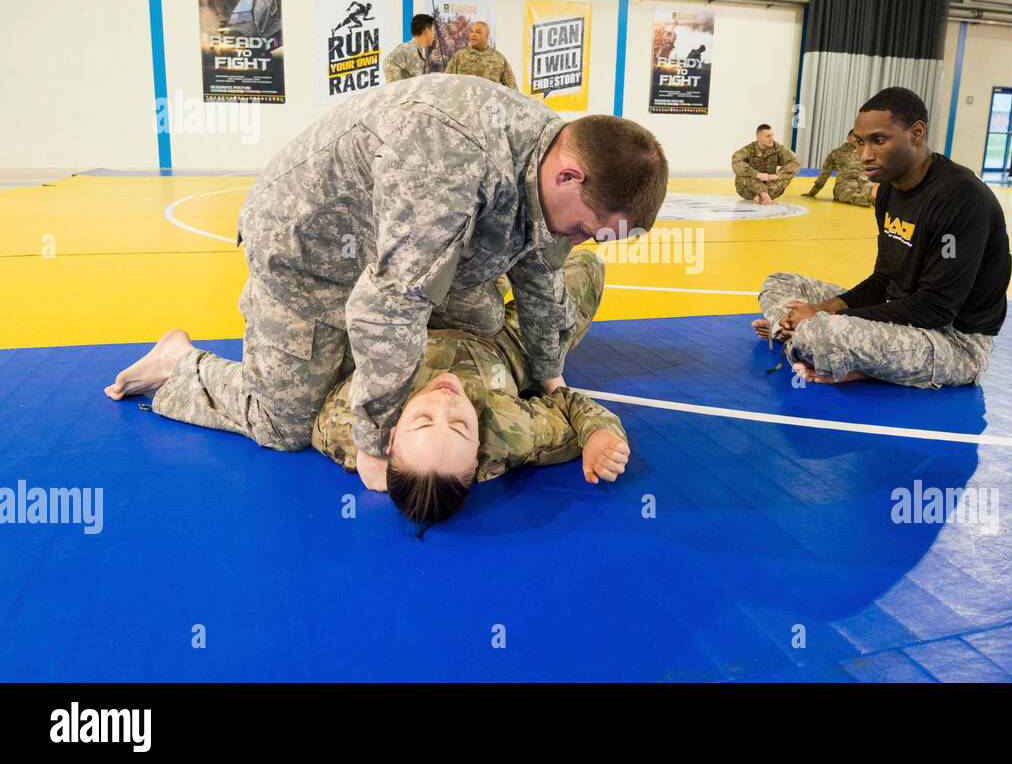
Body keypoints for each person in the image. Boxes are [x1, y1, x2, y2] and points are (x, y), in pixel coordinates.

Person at [105, 74, 668, 493]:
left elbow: (541, 265)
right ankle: (180, 363)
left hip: (402, 245)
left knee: (486, 321)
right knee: (286, 425)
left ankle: (363, 358)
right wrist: (375, 444)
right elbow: (390, 304)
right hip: (312, 255)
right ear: (568, 175)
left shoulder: (552, 155)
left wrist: (548, 372)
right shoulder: (450, 155)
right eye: (585, 228)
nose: (582, 239)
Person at [314, 249, 629, 528]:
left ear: (392, 435)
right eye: (460, 425)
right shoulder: (510, 433)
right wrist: (599, 435)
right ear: (478, 452)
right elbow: (570, 407)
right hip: (506, 344)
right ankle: (506, 263)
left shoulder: (353, 422)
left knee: (451, 253)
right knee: (587, 265)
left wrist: (363, 455)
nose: (443, 403)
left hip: (423, 317)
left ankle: (495, 265)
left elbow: (320, 424)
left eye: (423, 419)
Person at [750, 87, 1012, 388]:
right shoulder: (889, 189)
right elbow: (883, 279)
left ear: (916, 133)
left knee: (820, 332)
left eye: (879, 140)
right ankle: (800, 336)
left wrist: (823, 317)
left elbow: (936, 308)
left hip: (953, 341)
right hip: (901, 315)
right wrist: (822, 310)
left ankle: (795, 336)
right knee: (779, 282)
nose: (865, 155)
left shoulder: (960, 197)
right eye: (860, 142)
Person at [803, 131, 877, 207]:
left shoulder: (866, 153)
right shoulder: (836, 153)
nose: (857, 140)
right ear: (848, 138)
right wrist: (813, 192)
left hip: (864, 182)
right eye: (855, 137)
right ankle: (868, 201)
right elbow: (824, 174)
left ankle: (874, 201)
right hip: (845, 185)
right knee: (855, 197)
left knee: (875, 194)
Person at [732, 124, 800, 205]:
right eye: (768, 136)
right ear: (758, 138)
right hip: (749, 190)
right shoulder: (749, 149)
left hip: (770, 187)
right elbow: (736, 161)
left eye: (772, 135)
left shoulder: (777, 148)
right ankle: (763, 194)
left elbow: (795, 161)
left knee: (786, 177)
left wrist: (778, 175)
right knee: (743, 174)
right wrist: (757, 174)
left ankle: (761, 196)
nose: (771, 138)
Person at [443, 21, 518, 90]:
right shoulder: (459, 56)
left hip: (489, 103)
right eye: (471, 32)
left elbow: (512, 90)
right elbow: (446, 82)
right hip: (464, 103)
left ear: (487, 35)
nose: (473, 35)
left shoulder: (499, 59)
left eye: (478, 32)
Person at [381, 14, 437, 83]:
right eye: (433, 31)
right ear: (427, 31)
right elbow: (389, 61)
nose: (434, 35)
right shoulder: (410, 48)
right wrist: (397, 90)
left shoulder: (419, 52)